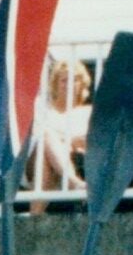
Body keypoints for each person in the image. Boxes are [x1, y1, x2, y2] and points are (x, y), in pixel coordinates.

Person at [30, 59, 92, 213]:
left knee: (46, 159)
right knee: (46, 136)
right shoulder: (41, 107)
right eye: (64, 80)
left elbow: (90, 142)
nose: (69, 84)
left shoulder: (89, 112)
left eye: (75, 80)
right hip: (31, 162)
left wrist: (64, 141)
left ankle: (34, 219)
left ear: (82, 85)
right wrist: (70, 141)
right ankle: (73, 183)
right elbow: (35, 134)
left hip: (71, 161)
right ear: (55, 84)